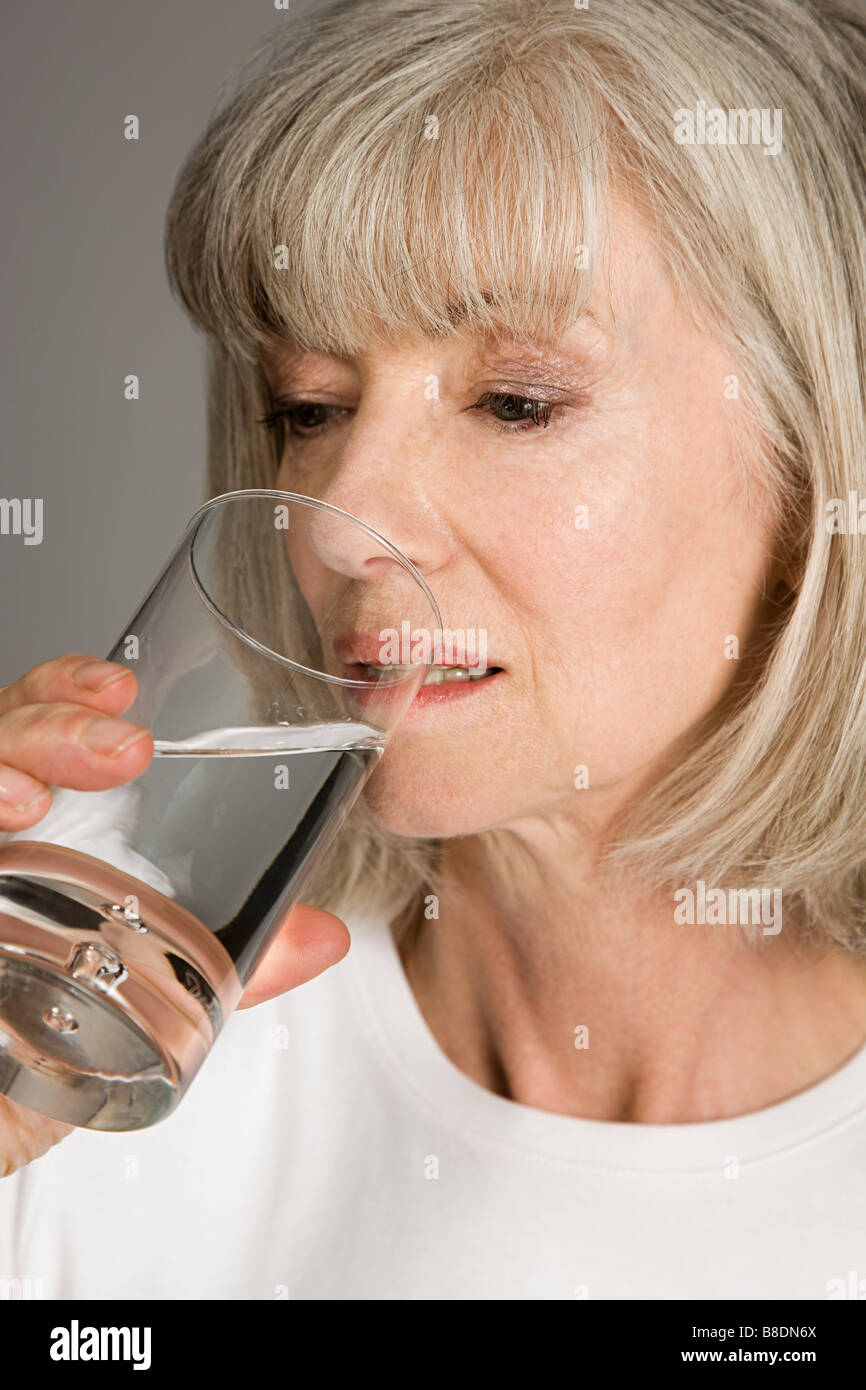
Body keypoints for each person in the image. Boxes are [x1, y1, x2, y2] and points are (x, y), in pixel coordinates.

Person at [2, 0, 866, 1299]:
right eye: (309, 407)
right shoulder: (84, 1079)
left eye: (515, 401)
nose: (352, 525)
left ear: (812, 484)